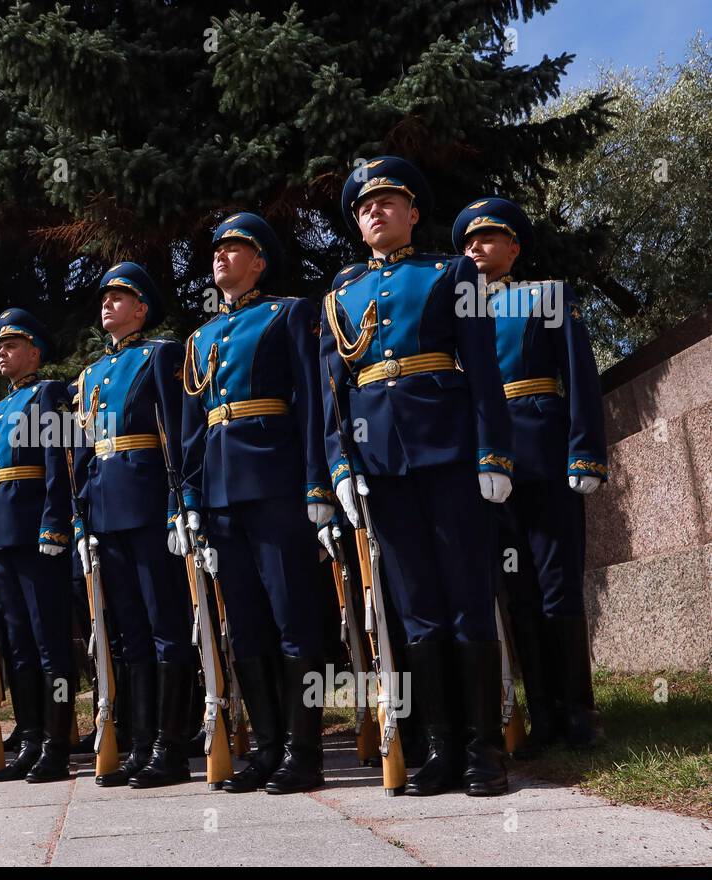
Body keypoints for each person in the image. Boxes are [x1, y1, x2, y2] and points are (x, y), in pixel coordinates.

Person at [322, 156, 515, 797]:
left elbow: (484, 370)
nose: (373, 212)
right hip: (380, 466)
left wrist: (492, 454)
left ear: (412, 214)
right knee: (415, 612)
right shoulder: (340, 295)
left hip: (451, 451)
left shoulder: (453, 272)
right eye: (363, 207)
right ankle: (439, 746)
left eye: (386, 202)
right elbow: (336, 396)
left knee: (466, 598)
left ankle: (485, 748)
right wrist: (342, 466)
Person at [181, 213, 333, 794]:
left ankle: (305, 750)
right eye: (217, 249)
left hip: (275, 483)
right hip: (220, 496)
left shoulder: (290, 312)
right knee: (244, 626)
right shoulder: (199, 339)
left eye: (235, 248)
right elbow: (194, 430)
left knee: (294, 620)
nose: (221, 256)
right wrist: (190, 500)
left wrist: (316, 485)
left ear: (260, 261)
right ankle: (268, 748)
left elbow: (313, 404)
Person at [453, 196, 607, 752]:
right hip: (486, 468)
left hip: (543, 455)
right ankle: (541, 715)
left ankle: (579, 713)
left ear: (514, 248)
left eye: (488, 239)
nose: (476, 248)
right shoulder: (458, 313)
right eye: (468, 243)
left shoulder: (547, 297)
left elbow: (581, 379)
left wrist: (585, 453)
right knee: (516, 592)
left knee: (557, 585)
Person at [71, 263, 194, 787]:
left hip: (147, 505)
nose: (108, 304)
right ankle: (140, 742)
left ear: (141, 308)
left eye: (120, 297)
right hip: (106, 510)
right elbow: (81, 451)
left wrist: (178, 504)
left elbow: (178, 432)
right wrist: (80, 519)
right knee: (128, 634)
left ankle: (173, 743)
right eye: (105, 297)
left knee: (167, 628)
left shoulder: (160, 353)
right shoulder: (91, 374)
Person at [0, 310, 75, 783]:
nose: (2, 352)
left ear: (34, 352)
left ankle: (57, 742)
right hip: (2, 537)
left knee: (49, 641)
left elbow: (60, 463)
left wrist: (56, 525)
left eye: (12, 345)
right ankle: (30, 739)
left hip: (36, 534)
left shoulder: (48, 393)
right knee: (19, 646)